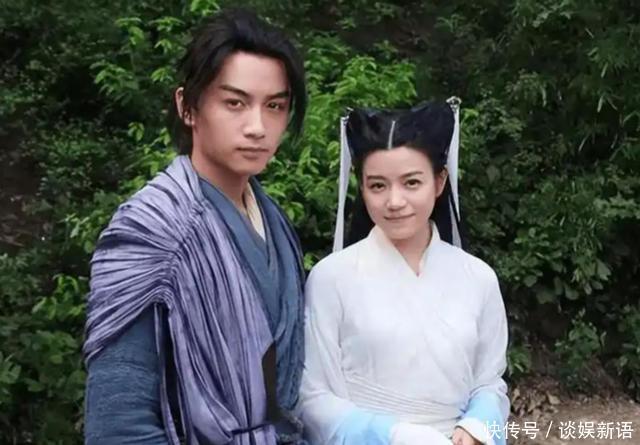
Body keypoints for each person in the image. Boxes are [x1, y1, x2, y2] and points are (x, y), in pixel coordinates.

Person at [83, 9, 307, 445]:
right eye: (235, 103)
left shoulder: (272, 219)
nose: (258, 127)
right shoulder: (151, 229)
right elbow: (118, 426)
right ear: (188, 107)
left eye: (275, 106)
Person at [297, 99, 509, 445]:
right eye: (378, 185)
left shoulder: (479, 278)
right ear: (361, 187)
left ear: (439, 181)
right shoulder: (330, 278)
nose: (394, 202)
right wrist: (394, 435)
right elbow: (313, 397)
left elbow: (490, 384)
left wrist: (478, 426)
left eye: (411, 183)